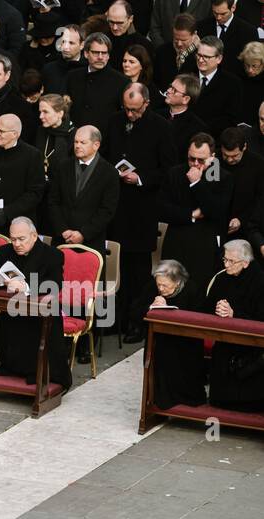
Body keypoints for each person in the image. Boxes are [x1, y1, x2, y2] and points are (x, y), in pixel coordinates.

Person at [103, 84, 174, 344]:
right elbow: (106, 154)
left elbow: (168, 169)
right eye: (127, 109)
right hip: (115, 206)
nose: (130, 115)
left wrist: (141, 177)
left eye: (135, 110)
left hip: (142, 209)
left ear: (146, 103)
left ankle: (135, 321)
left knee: (137, 271)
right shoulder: (114, 121)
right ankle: (113, 319)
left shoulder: (161, 127)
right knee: (114, 266)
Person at [0, 216, 72, 389]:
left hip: (41, 314)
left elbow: (54, 283)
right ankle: (14, 369)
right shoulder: (5, 251)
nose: (16, 244)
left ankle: (39, 374)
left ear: (34, 235)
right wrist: (3, 282)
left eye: (21, 239)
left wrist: (26, 287)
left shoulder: (52, 254)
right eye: (13, 239)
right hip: (14, 311)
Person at [159, 132, 232, 295]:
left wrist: (197, 183)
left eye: (201, 160)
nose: (195, 164)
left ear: (213, 157)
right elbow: (162, 210)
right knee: (169, 290)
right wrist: (191, 214)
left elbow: (216, 211)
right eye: (192, 158)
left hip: (204, 245)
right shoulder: (174, 173)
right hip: (176, 242)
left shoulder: (223, 178)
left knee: (199, 292)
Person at [141, 259, 208, 408]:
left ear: (177, 282)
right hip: (159, 340)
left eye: (165, 285)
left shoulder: (192, 290)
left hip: (185, 342)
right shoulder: (152, 288)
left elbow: (199, 319)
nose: (160, 288)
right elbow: (135, 312)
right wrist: (150, 307)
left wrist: (169, 312)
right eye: (159, 284)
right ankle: (157, 401)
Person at [45, 125, 119, 254]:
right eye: (75, 142)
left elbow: (107, 210)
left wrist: (83, 233)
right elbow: (53, 201)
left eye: (83, 142)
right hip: (61, 239)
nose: (77, 146)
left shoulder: (109, 173)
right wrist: (63, 229)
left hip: (91, 242)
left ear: (96, 145)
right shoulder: (63, 166)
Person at [208, 240, 264, 408]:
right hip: (225, 340)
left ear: (246, 262)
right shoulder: (222, 279)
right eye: (225, 259)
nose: (226, 265)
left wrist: (234, 314)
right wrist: (216, 308)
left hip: (253, 346)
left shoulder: (260, 282)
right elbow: (204, 308)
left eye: (231, 261)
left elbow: (261, 319)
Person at [0, 114, 46, 236]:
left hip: (19, 224)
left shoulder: (32, 155)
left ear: (15, 134)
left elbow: (35, 193)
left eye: (1, 131)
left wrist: (7, 213)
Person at [65, 33, 126, 132]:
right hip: (75, 138)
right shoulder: (72, 76)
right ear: (86, 54)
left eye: (104, 53)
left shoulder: (121, 81)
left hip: (104, 140)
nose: (100, 57)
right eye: (96, 52)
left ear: (108, 55)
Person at [192, 36, 244, 135]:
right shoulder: (187, 75)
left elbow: (230, 119)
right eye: (199, 55)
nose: (201, 60)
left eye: (206, 57)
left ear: (219, 59)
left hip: (214, 139)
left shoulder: (232, 84)